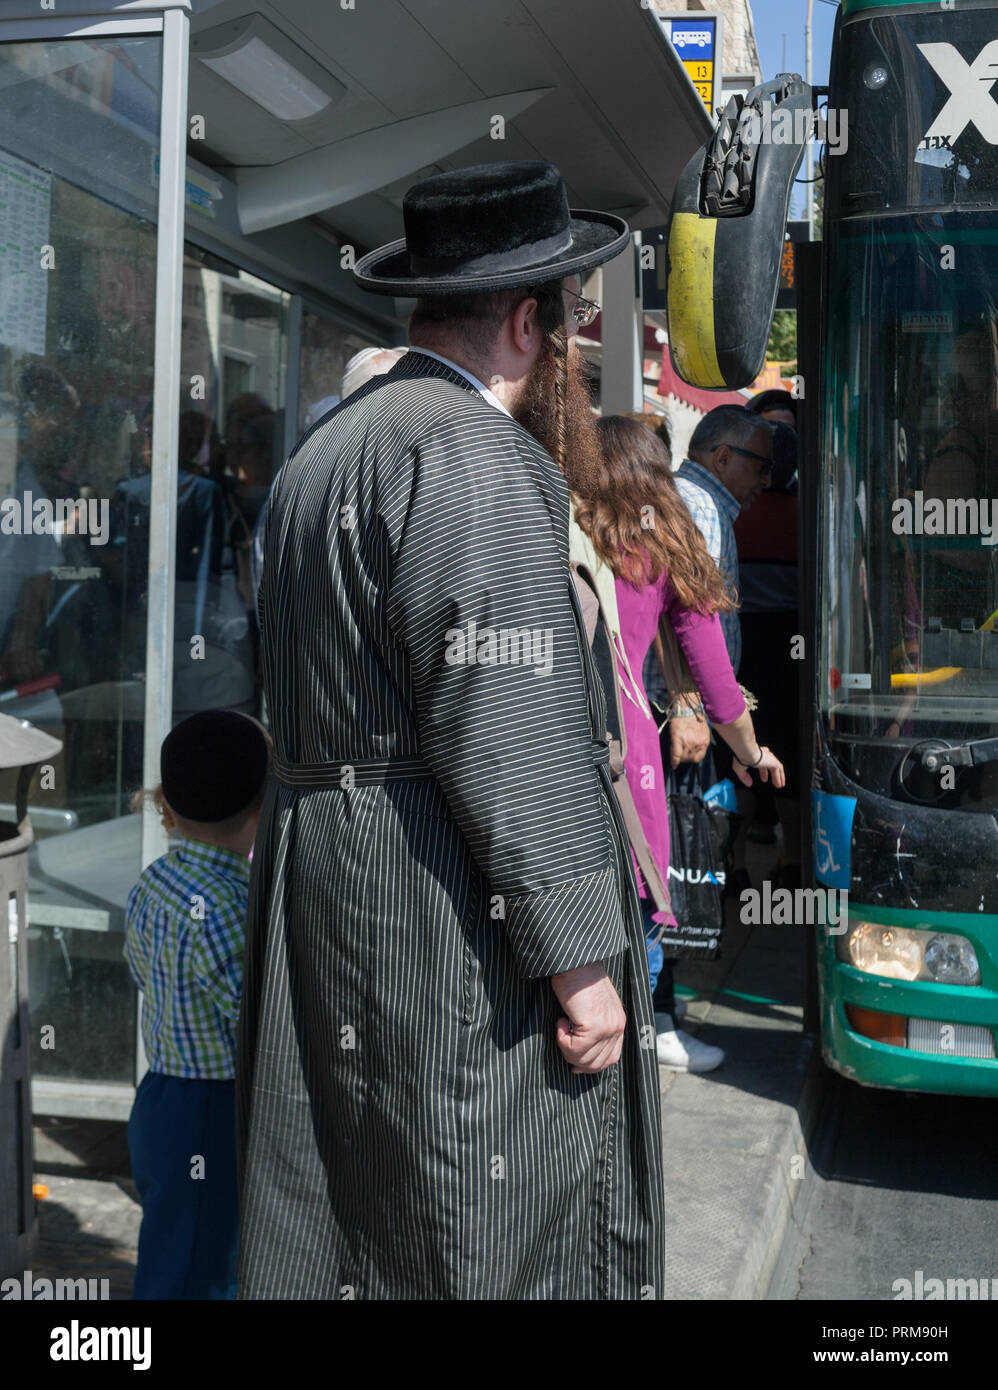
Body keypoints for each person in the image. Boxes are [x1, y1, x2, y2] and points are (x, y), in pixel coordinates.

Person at [236, 160, 666, 1300]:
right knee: (479, 1217)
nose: (570, 353)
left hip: (331, 866)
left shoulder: (325, 446)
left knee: (356, 1203)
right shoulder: (470, 453)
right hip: (436, 895)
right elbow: (502, 728)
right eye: (569, 326)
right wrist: (583, 965)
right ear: (526, 323)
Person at [575, 417, 785, 1071]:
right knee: (631, 930)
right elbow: (719, 684)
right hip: (625, 759)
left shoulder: (554, 530)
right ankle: (625, 1070)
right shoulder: (662, 543)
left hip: (545, 756)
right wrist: (754, 756)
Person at [124, 709, 270, 1299]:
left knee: (172, 1250)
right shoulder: (230, 906)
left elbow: (139, 970)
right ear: (267, 807)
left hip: (160, 1099)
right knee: (205, 1272)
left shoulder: (154, 880)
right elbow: (253, 1020)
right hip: (212, 1111)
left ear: (168, 804)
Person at [673, 405, 776, 676]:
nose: (766, 481)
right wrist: (721, 711)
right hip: (690, 708)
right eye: (761, 468)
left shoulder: (690, 497)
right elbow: (692, 619)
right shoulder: (701, 507)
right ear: (723, 459)